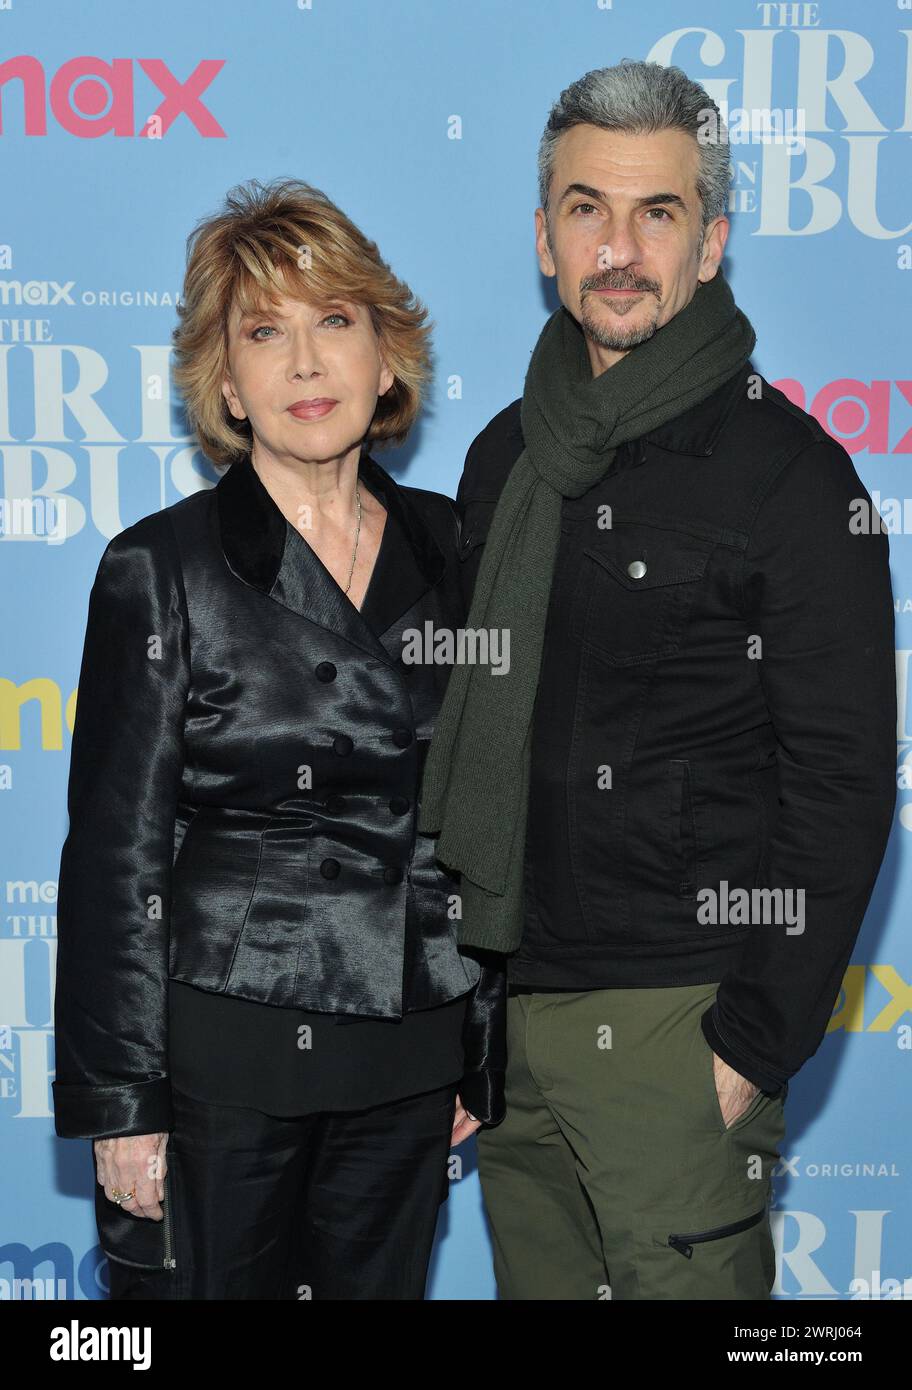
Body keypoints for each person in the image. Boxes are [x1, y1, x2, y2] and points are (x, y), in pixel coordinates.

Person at [419, 60, 896, 1299]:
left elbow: (845, 781)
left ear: (713, 241)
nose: (618, 249)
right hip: (511, 1020)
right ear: (544, 234)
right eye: (588, 209)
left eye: (658, 213)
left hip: (683, 1026)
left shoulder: (792, 477)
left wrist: (754, 1040)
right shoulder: (503, 456)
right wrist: (461, 1020)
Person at [53, 176, 506, 1301]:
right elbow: (117, 854)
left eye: (335, 322)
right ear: (229, 387)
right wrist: (125, 1107)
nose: (306, 363)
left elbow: (488, 809)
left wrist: (479, 1044)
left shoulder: (457, 549)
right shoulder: (163, 567)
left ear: (387, 358)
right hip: (225, 1064)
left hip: (407, 1056)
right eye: (265, 332)